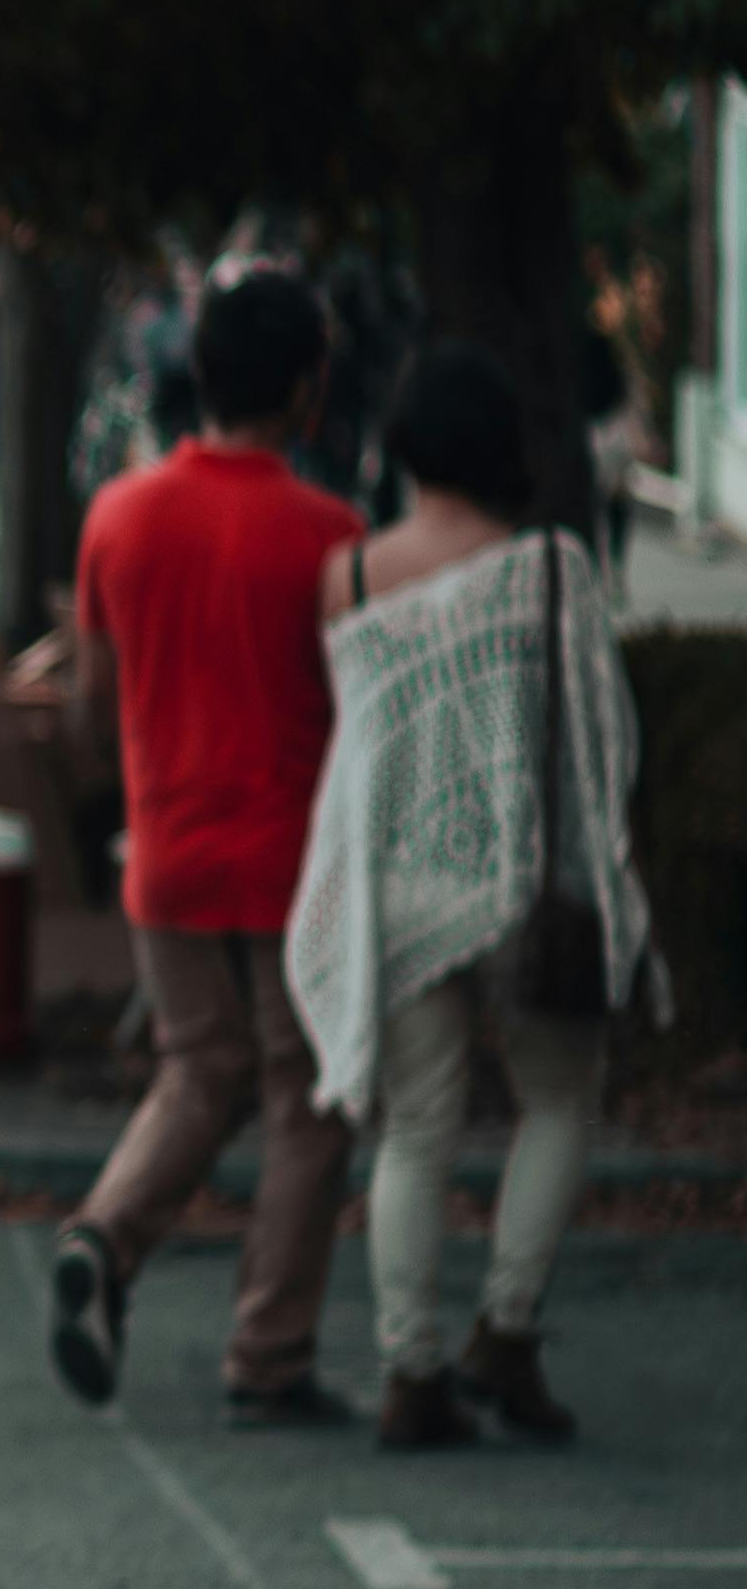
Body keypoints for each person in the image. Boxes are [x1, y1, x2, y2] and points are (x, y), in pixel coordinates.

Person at [289, 345, 655, 1451]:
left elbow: (360, 738)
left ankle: (409, 1372)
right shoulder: (549, 569)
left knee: (413, 1130)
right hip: (527, 875)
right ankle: (506, 1329)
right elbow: (605, 738)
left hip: (396, 877)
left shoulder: (346, 573)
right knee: (557, 1099)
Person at [44, 268, 365, 1427]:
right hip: (289, 857)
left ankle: (101, 1236)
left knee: (196, 1067)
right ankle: (268, 1352)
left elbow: (89, 700)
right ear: (305, 388)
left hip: (165, 849)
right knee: (306, 1100)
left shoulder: (118, 516)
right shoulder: (330, 535)